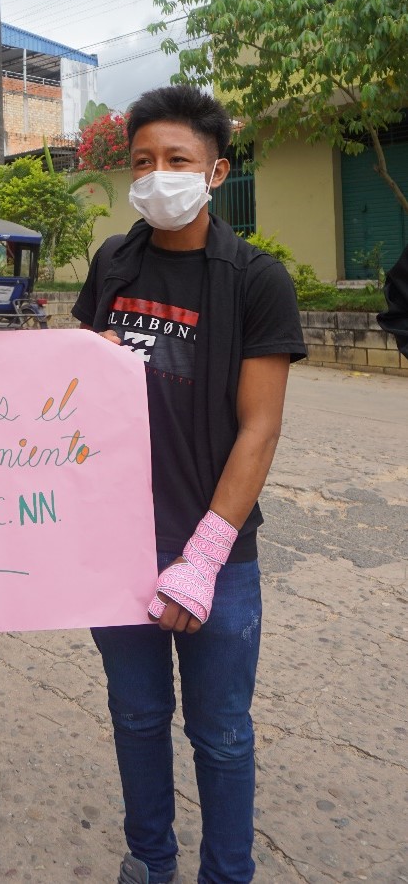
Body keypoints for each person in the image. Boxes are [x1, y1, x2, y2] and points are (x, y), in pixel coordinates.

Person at [72, 86, 306, 884]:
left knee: (222, 732)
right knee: (136, 717)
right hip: (119, 548)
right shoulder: (113, 262)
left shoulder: (254, 278)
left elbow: (259, 427)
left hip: (218, 553)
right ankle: (150, 858)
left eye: (176, 160)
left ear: (216, 170)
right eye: (142, 161)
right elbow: (73, 393)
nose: (157, 175)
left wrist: (204, 556)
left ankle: (227, 873)